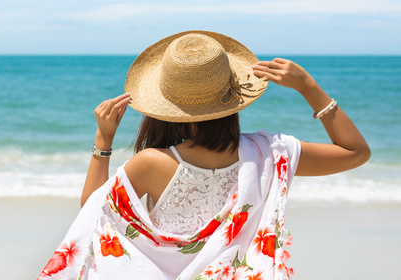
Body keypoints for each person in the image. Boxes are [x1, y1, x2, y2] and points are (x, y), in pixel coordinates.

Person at [39, 31, 370, 280]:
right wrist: (310, 88)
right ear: (233, 99)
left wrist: (103, 142)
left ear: (163, 107)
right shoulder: (269, 154)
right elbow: (355, 152)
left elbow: (93, 215)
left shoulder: (151, 163)